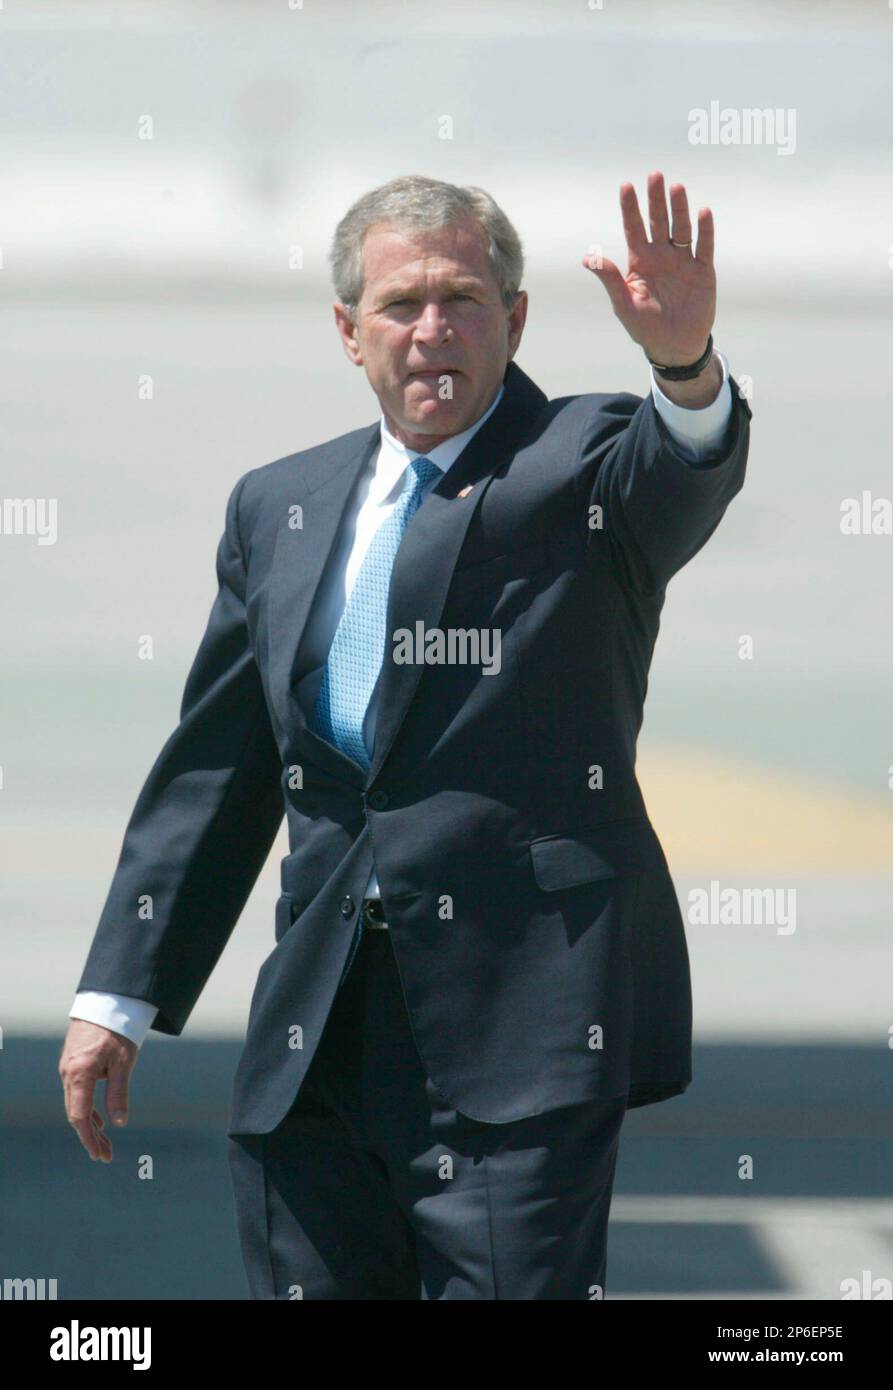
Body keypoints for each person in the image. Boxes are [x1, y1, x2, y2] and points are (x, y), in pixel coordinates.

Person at [60, 171, 751, 1299]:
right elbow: (219, 769)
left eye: (464, 299)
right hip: (318, 1041)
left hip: (518, 1037)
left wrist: (683, 367)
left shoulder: (578, 464)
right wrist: (117, 996)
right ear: (346, 331)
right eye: (400, 304)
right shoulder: (278, 504)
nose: (433, 329)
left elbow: (681, 471)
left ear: (514, 318)